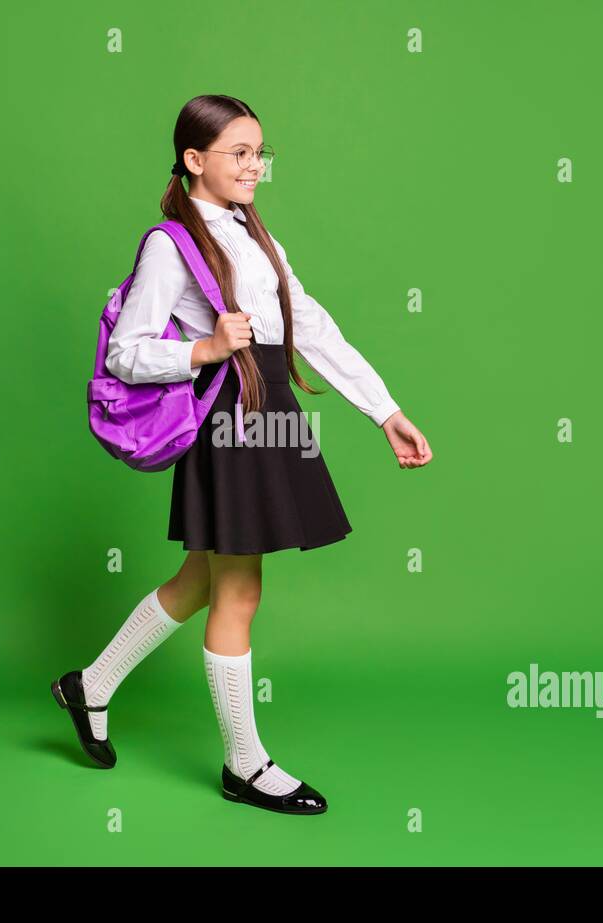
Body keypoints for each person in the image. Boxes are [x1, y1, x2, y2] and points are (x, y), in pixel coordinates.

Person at [53, 94, 432, 816]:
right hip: (228, 419)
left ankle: (89, 687)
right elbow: (128, 353)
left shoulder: (256, 236)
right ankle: (245, 767)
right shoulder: (170, 243)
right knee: (240, 591)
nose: (255, 166)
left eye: (261, 153)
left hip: (267, 412)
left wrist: (385, 410)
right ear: (196, 160)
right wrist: (202, 347)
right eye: (240, 153)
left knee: (201, 577)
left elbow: (309, 325)